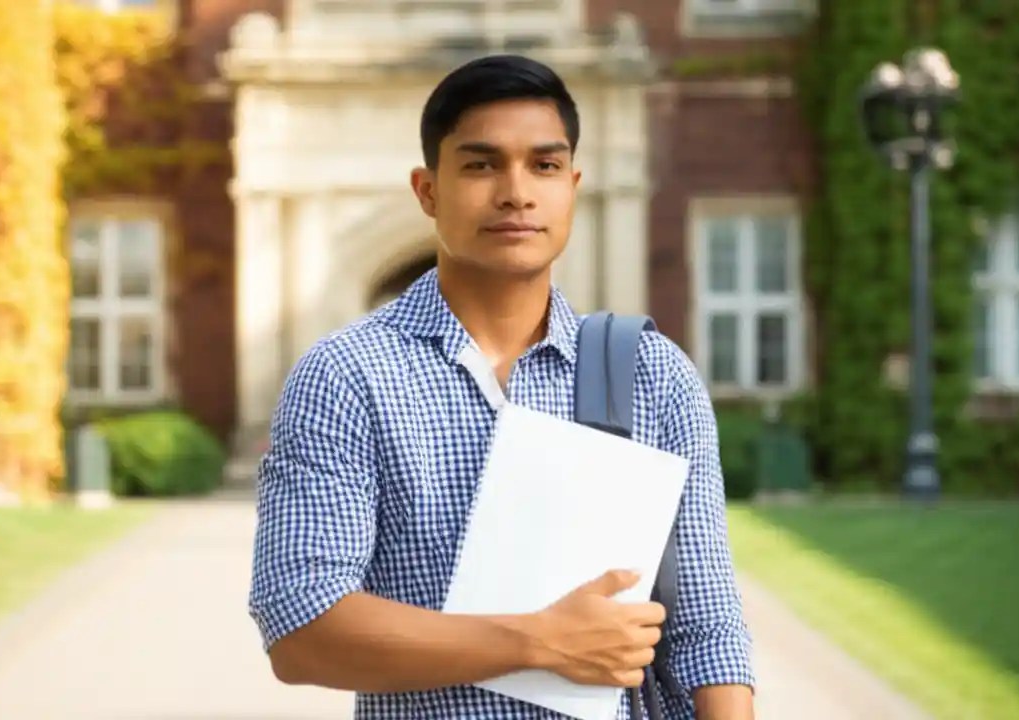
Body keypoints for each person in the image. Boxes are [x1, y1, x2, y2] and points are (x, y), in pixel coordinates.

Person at [248, 54, 756, 719]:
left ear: (572, 185)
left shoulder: (653, 375)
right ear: (427, 191)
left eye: (544, 166)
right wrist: (538, 642)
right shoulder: (346, 376)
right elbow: (299, 625)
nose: (516, 193)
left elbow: (708, 633)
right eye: (482, 165)